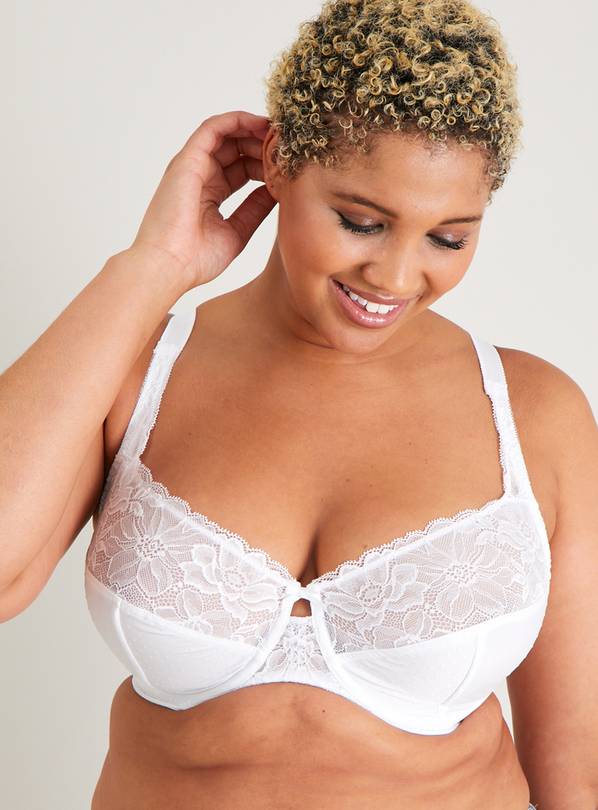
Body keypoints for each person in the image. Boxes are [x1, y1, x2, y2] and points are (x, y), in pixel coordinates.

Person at [1, 0, 596, 808]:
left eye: (448, 238)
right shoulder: (135, 371)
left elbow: (578, 773)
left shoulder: (535, 414)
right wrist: (152, 267)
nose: (395, 276)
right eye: (361, 221)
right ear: (279, 162)